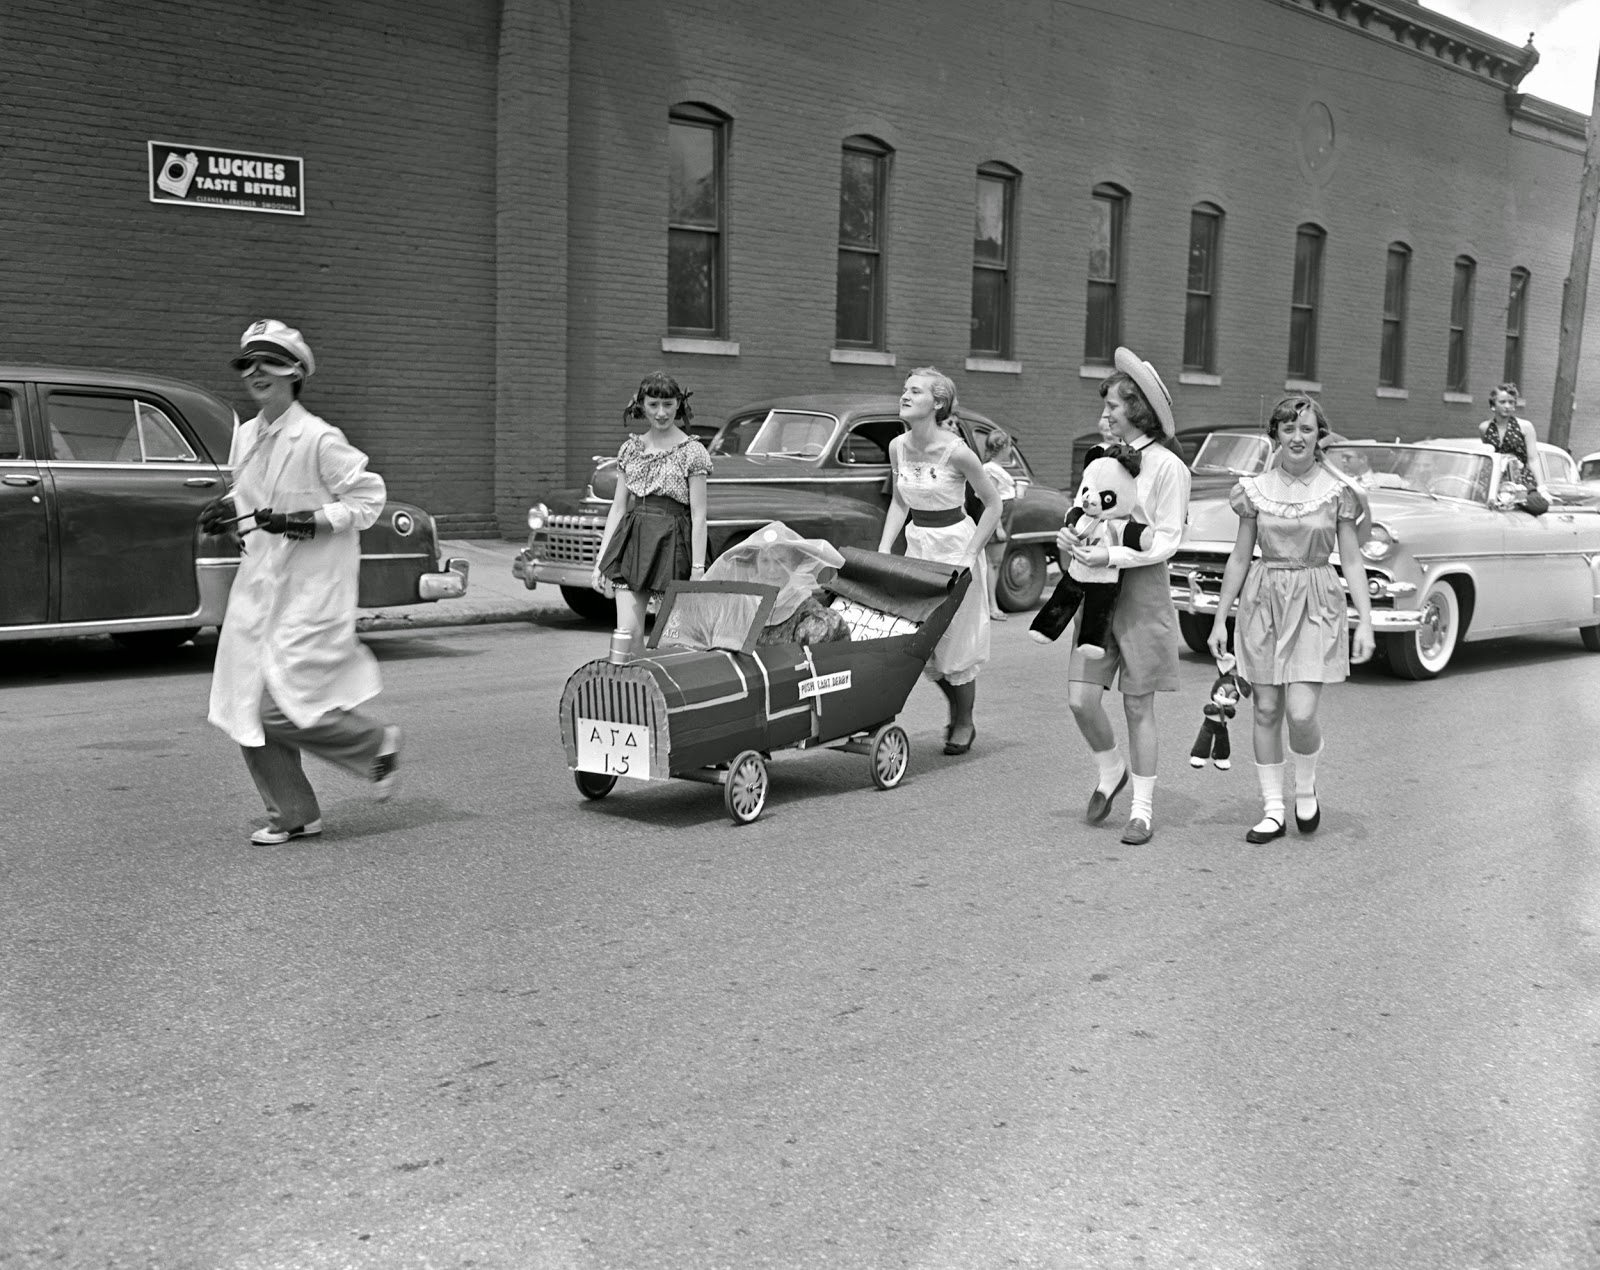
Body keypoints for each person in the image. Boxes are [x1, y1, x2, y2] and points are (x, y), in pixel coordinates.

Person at [205, 320, 400, 846]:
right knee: (244, 705)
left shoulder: (317, 437)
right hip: (259, 587)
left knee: (276, 705)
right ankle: (292, 813)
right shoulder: (246, 434)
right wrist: (226, 515)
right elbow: (253, 501)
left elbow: (367, 500)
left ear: (293, 372)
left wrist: (301, 520)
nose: (255, 373)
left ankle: (372, 742)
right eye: (247, 364)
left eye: (267, 363)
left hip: (308, 591)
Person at [1206, 395, 1376, 843]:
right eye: (1288, 429)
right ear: (1275, 436)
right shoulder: (1255, 490)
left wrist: (1368, 622)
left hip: (1317, 599)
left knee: (1300, 714)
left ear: (1320, 435)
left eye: (1306, 428)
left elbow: (1353, 561)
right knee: (1265, 709)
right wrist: (1220, 617)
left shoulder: (1337, 491)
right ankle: (1273, 809)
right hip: (1264, 599)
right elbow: (1241, 557)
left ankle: (1305, 786)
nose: (1297, 437)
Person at [1065, 347, 1191, 846]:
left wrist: (1113, 556)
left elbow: (1165, 540)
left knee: (1139, 706)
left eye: (1115, 404)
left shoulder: (1168, 468)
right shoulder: (1099, 461)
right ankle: (1110, 767)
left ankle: (1141, 809)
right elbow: (1083, 512)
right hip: (1095, 590)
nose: (1107, 412)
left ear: (1136, 407)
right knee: (1080, 699)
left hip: (1140, 592)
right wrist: (1069, 539)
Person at [877, 368, 1003, 755]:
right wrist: (884, 550)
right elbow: (901, 501)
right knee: (921, 643)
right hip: (919, 549)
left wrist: (969, 556)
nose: (905, 395)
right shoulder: (897, 446)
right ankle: (955, 706)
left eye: (915, 391)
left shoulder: (958, 452)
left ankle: (964, 720)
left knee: (955, 645)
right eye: (904, 389)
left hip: (954, 550)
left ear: (937, 402)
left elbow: (993, 505)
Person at [591, 372, 712, 658]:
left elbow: (699, 514)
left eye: (668, 404)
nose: (661, 413)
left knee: (670, 642)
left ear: (678, 405)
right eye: (654, 404)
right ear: (641, 406)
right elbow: (618, 508)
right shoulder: (630, 449)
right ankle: (638, 700)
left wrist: (698, 570)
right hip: (634, 544)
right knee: (628, 639)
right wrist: (600, 561)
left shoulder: (692, 451)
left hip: (674, 545)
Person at [1479, 382, 1549, 515]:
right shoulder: (1484, 428)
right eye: (1503, 402)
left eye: (1511, 402)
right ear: (1493, 404)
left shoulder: (1525, 427)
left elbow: (1533, 459)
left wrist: (1542, 488)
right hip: (1494, 480)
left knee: (1538, 506)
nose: (1507, 406)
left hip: (1520, 480)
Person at [980, 429, 1019, 620]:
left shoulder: (996, 469)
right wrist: (998, 527)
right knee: (992, 563)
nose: (1011, 450)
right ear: (1002, 446)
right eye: (1009, 446)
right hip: (999, 520)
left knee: (995, 563)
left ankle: (991, 605)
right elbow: (991, 499)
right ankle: (992, 606)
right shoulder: (990, 469)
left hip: (1004, 518)